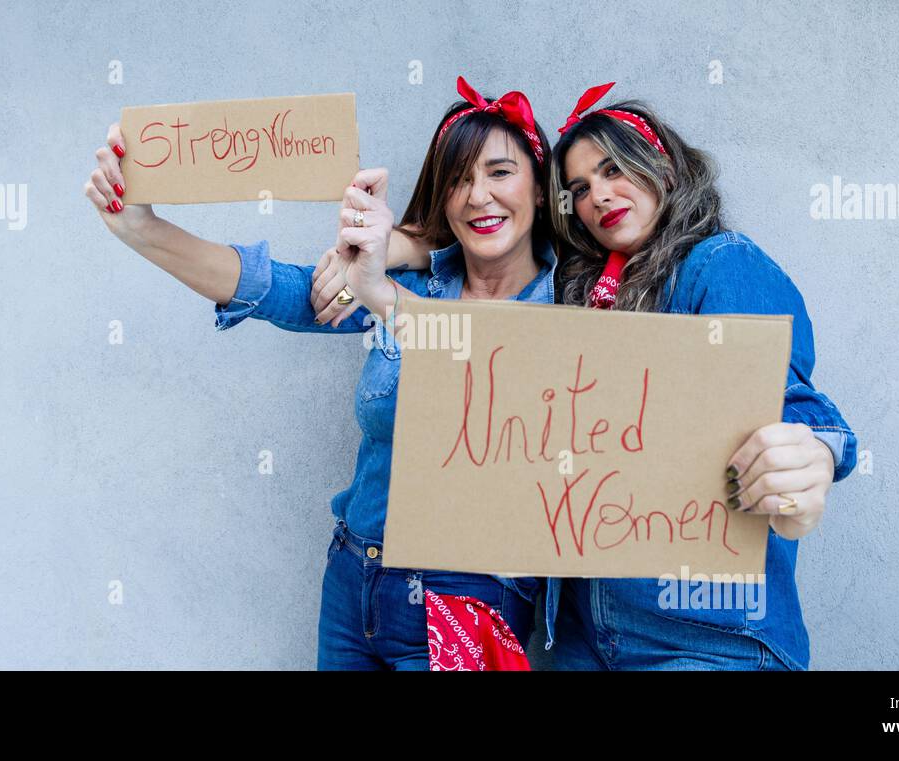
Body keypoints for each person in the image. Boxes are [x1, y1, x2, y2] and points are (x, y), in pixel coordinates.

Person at [312, 83, 857, 670]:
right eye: (578, 188)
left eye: (614, 170)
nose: (598, 194)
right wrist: (401, 248)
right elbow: (490, 255)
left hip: (706, 641)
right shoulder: (581, 292)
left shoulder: (718, 263)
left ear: (664, 171)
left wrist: (813, 455)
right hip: (586, 638)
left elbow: (791, 403)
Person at [83, 77, 557, 670]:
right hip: (354, 580)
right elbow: (277, 290)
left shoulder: (572, 307)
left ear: (541, 192)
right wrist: (141, 229)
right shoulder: (410, 282)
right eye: (459, 179)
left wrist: (382, 283)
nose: (478, 196)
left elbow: (490, 371)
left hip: (469, 601)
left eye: (499, 172)